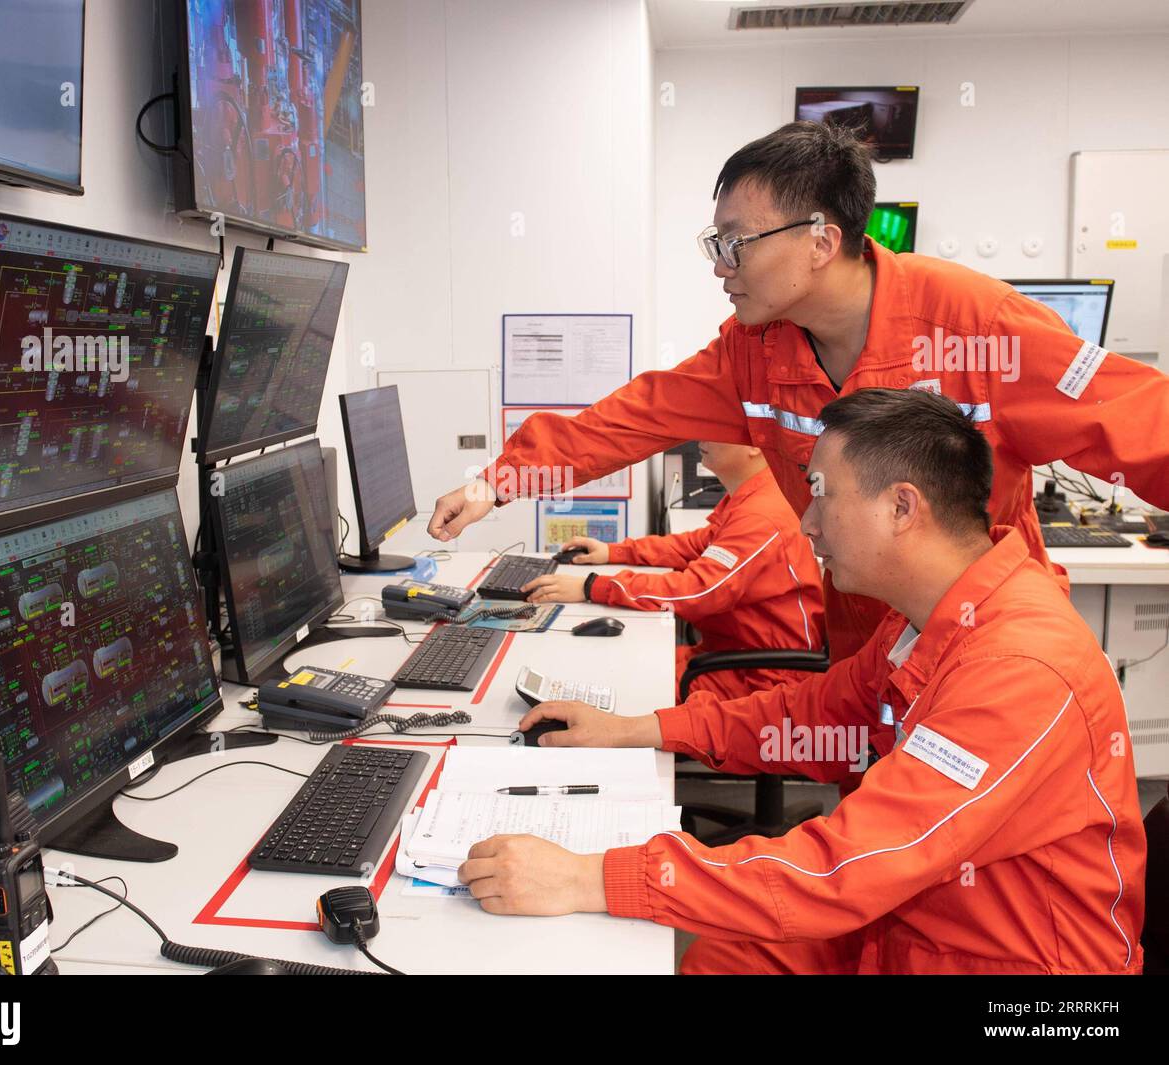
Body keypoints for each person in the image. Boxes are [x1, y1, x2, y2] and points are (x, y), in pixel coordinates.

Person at [457, 389, 1147, 975]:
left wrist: (590, 877)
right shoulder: (930, 616)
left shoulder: (1019, 669)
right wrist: (638, 729)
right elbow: (816, 710)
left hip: (1014, 971)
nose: (808, 521)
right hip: (912, 922)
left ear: (903, 508)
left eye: (820, 495)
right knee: (720, 958)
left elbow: (850, 866)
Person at [428, 121, 1169, 661]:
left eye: (735, 242)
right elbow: (633, 417)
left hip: (989, 639)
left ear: (820, 239)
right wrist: (498, 482)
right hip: (863, 643)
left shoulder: (978, 326)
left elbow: (1139, 420)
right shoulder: (752, 349)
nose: (720, 265)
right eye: (713, 244)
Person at [522, 442, 824, 700]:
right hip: (730, 657)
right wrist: (614, 552)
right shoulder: (756, 497)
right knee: (617, 663)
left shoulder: (763, 515)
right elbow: (696, 545)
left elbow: (698, 591)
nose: (702, 436)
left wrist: (593, 588)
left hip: (763, 680)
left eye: (719, 429)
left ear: (755, 447)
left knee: (620, 686)